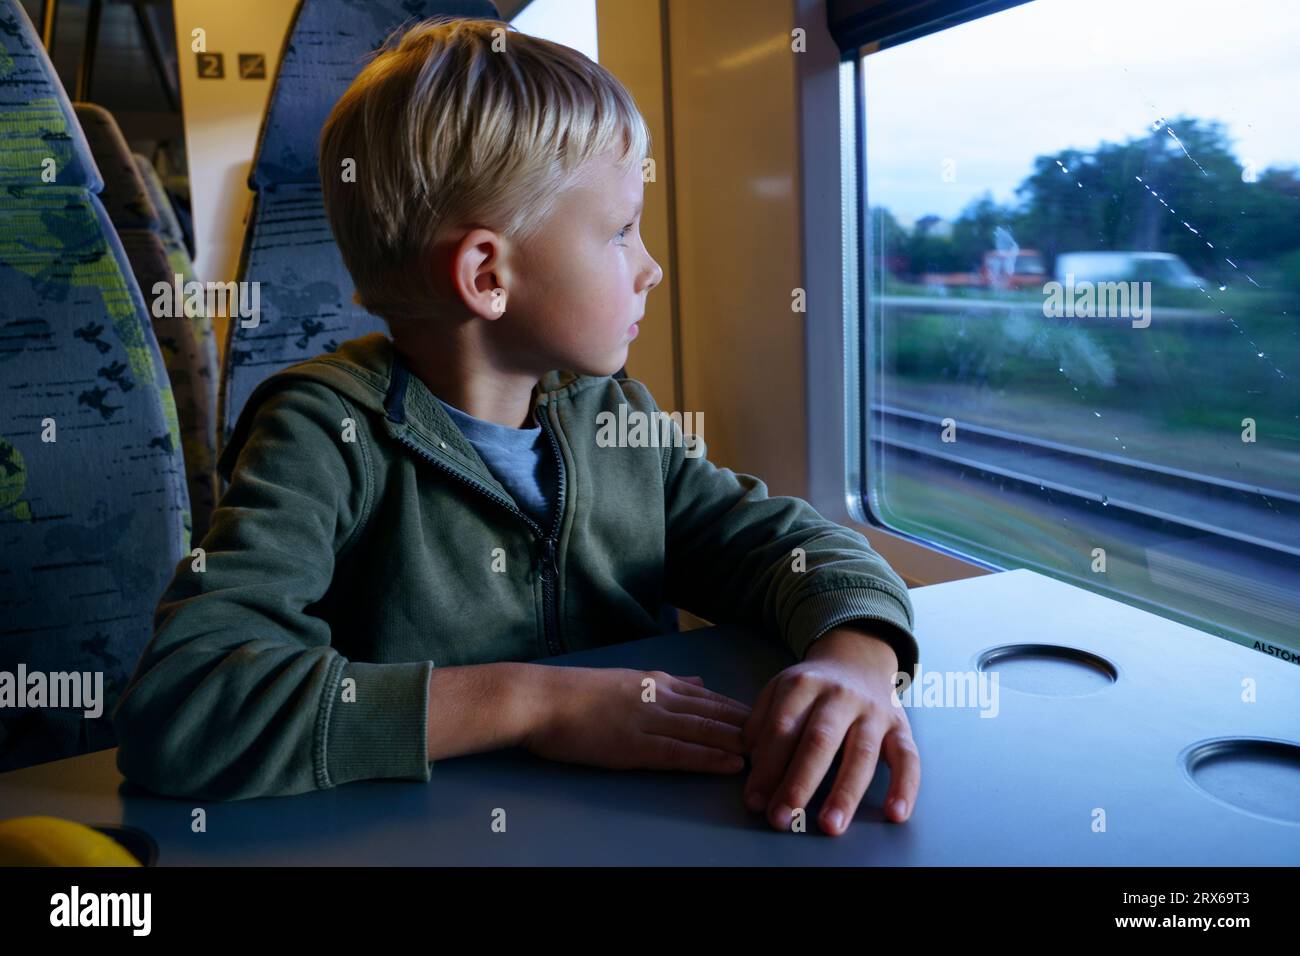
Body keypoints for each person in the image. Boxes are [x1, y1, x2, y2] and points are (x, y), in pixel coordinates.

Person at [113, 16, 920, 837]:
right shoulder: (323, 434)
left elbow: (781, 542)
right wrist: (533, 703)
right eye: (620, 231)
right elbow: (188, 703)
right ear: (488, 275)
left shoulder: (614, 420)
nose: (652, 267)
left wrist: (856, 655)